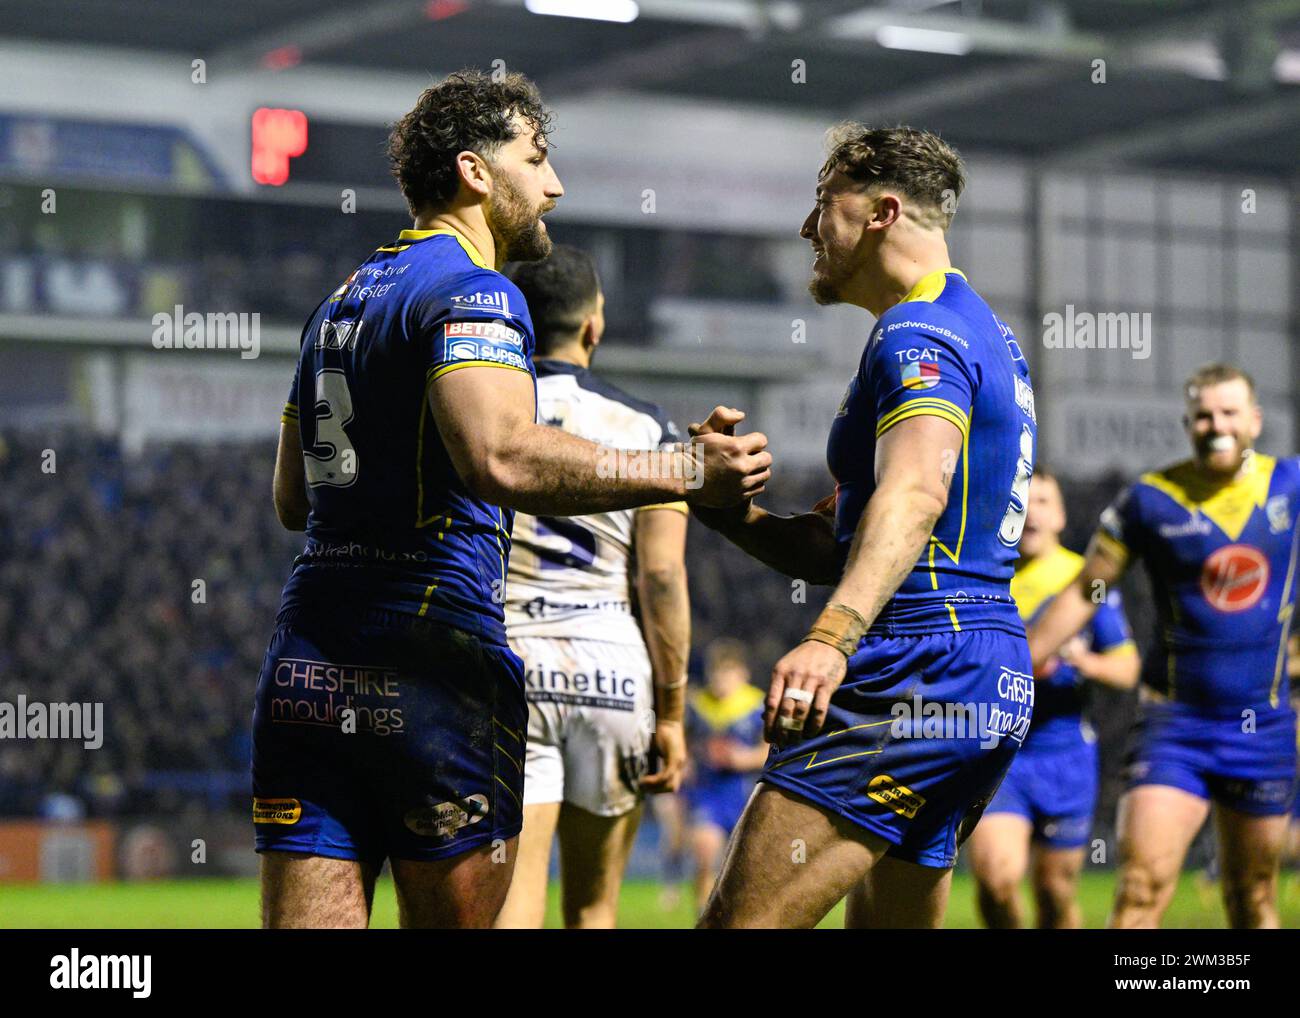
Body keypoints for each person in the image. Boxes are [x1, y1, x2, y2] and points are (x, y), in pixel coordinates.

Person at [252, 70, 770, 929]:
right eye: (536, 160)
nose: (554, 186)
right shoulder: (474, 290)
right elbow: (502, 457)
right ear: (475, 171)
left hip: (309, 655)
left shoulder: (335, 306)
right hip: (431, 653)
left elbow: (292, 501)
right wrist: (684, 471)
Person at [690, 123, 1037, 929]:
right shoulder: (978, 328)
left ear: (882, 211)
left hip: (914, 658)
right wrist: (726, 511)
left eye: (822, 205)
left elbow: (917, 493)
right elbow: (848, 540)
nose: (809, 230)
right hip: (983, 664)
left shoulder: (920, 335)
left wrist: (830, 635)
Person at [1028, 363, 1300, 929]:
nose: (1215, 424)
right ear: (1187, 423)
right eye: (1203, 414)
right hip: (1175, 727)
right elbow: (1090, 588)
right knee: (1140, 889)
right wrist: (1023, 657)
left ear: (1254, 420)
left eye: (1229, 412)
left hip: (1263, 727)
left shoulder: (1291, 489)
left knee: (1252, 900)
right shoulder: (1150, 503)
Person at [492, 245, 689, 929]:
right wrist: (670, 714)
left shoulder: (486, 415)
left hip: (510, 661)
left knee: (513, 907)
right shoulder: (650, 427)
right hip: (611, 665)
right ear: (593, 327)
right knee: (594, 911)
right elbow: (660, 575)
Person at [966, 467, 1139, 928]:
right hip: (998, 754)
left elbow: (1127, 669)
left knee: (1055, 892)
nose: (1030, 513)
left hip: (1065, 755)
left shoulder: (1084, 581)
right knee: (996, 880)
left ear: (1060, 515)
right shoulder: (981, 578)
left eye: (1042, 501)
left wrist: (1085, 662)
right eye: (1020, 502)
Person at [682, 639, 768, 915]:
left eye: (727, 674)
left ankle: (743, 915)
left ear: (742, 674)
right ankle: (702, 915)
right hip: (708, 793)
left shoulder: (757, 706)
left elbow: (771, 751)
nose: (721, 681)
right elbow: (682, 740)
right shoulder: (697, 705)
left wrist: (745, 758)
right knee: (706, 854)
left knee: (746, 866)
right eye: (716, 674)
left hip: (745, 794)